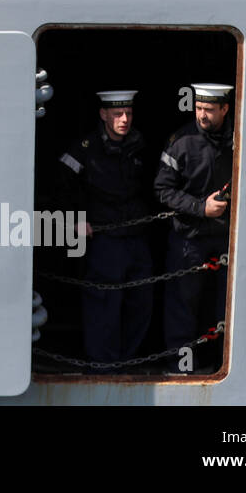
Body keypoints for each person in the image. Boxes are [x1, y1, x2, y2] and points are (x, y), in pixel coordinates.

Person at [57, 91, 154, 366]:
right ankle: (104, 365)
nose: (125, 120)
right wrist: (76, 217)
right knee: (104, 305)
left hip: (136, 237)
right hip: (104, 237)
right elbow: (62, 185)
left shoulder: (140, 144)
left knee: (140, 302)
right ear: (103, 115)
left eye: (129, 114)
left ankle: (128, 361)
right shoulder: (84, 149)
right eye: (117, 115)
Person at [156, 83, 234, 372]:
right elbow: (163, 190)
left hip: (226, 240)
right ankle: (181, 368)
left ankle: (219, 364)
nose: (202, 115)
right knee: (183, 308)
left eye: (209, 110)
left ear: (225, 109)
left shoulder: (238, 140)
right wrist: (201, 208)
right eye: (199, 108)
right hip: (189, 240)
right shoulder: (181, 142)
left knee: (220, 308)